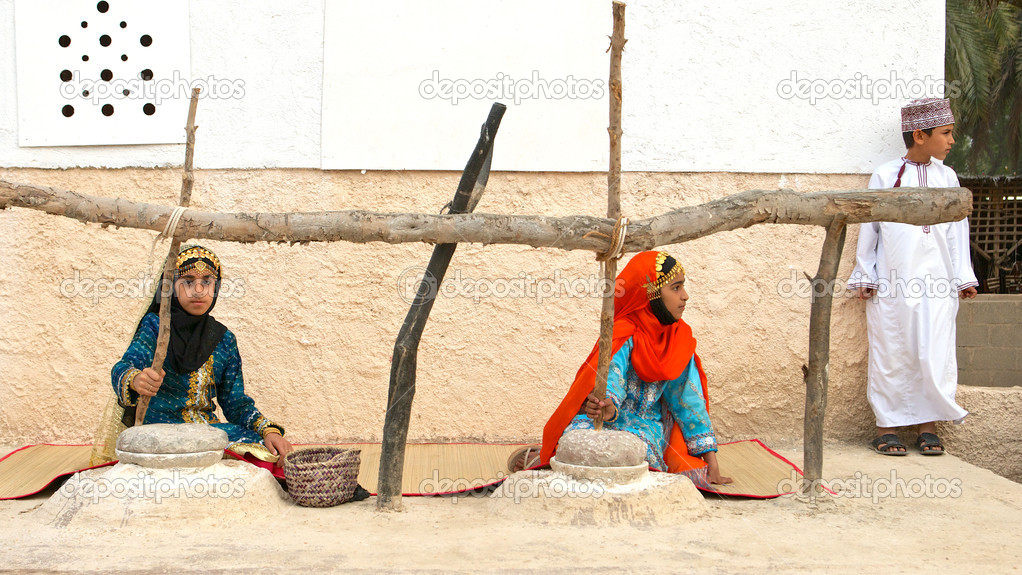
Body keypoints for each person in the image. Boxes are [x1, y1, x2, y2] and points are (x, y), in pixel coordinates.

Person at [535, 250, 731, 487]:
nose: (685, 296)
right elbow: (610, 376)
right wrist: (606, 406)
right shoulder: (622, 332)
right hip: (604, 420)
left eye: (683, 287)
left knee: (629, 454)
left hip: (644, 427)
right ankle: (543, 457)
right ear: (652, 293)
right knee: (574, 442)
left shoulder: (679, 341)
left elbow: (689, 404)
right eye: (676, 288)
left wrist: (712, 465)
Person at [849, 98, 978, 456]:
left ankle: (928, 426)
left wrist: (962, 276)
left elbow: (957, 231)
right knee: (892, 349)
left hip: (937, 281)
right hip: (894, 280)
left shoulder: (947, 177)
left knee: (933, 350)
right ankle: (886, 428)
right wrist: (865, 274)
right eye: (946, 133)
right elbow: (869, 228)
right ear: (920, 135)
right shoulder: (886, 175)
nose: (952, 141)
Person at [111, 245, 293, 463]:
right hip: (159, 432)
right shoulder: (156, 327)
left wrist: (268, 431)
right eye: (188, 281)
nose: (198, 290)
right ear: (170, 287)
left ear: (216, 286)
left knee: (265, 453)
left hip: (207, 431)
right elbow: (122, 368)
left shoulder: (224, 340)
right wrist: (136, 380)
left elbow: (236, 404)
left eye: (206, 281)